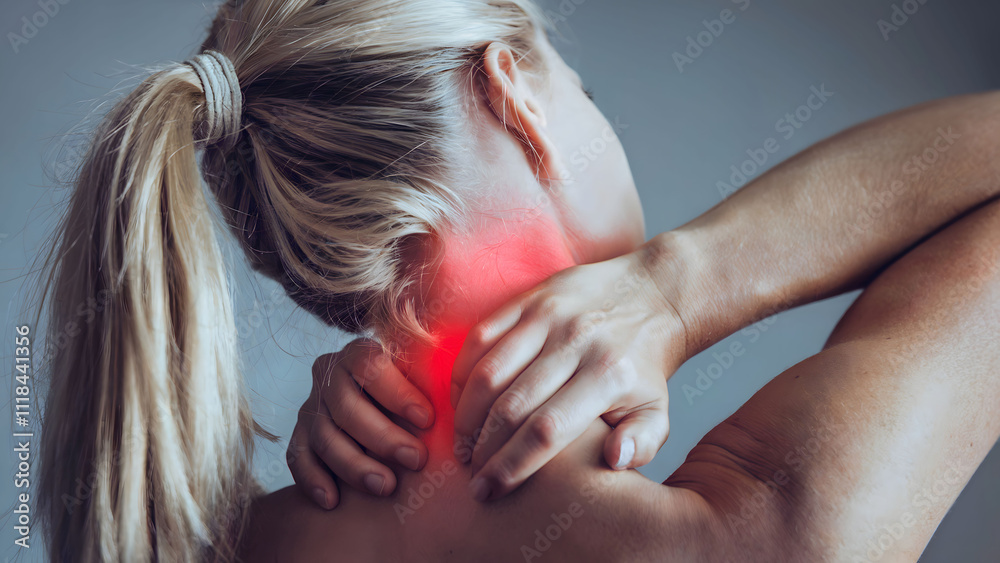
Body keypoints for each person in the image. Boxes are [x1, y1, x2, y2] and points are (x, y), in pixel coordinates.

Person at [35, 0, 999, 561]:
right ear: (519, 97)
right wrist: (681, 285)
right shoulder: (755, 528)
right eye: (586, 92)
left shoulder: (210, 543)